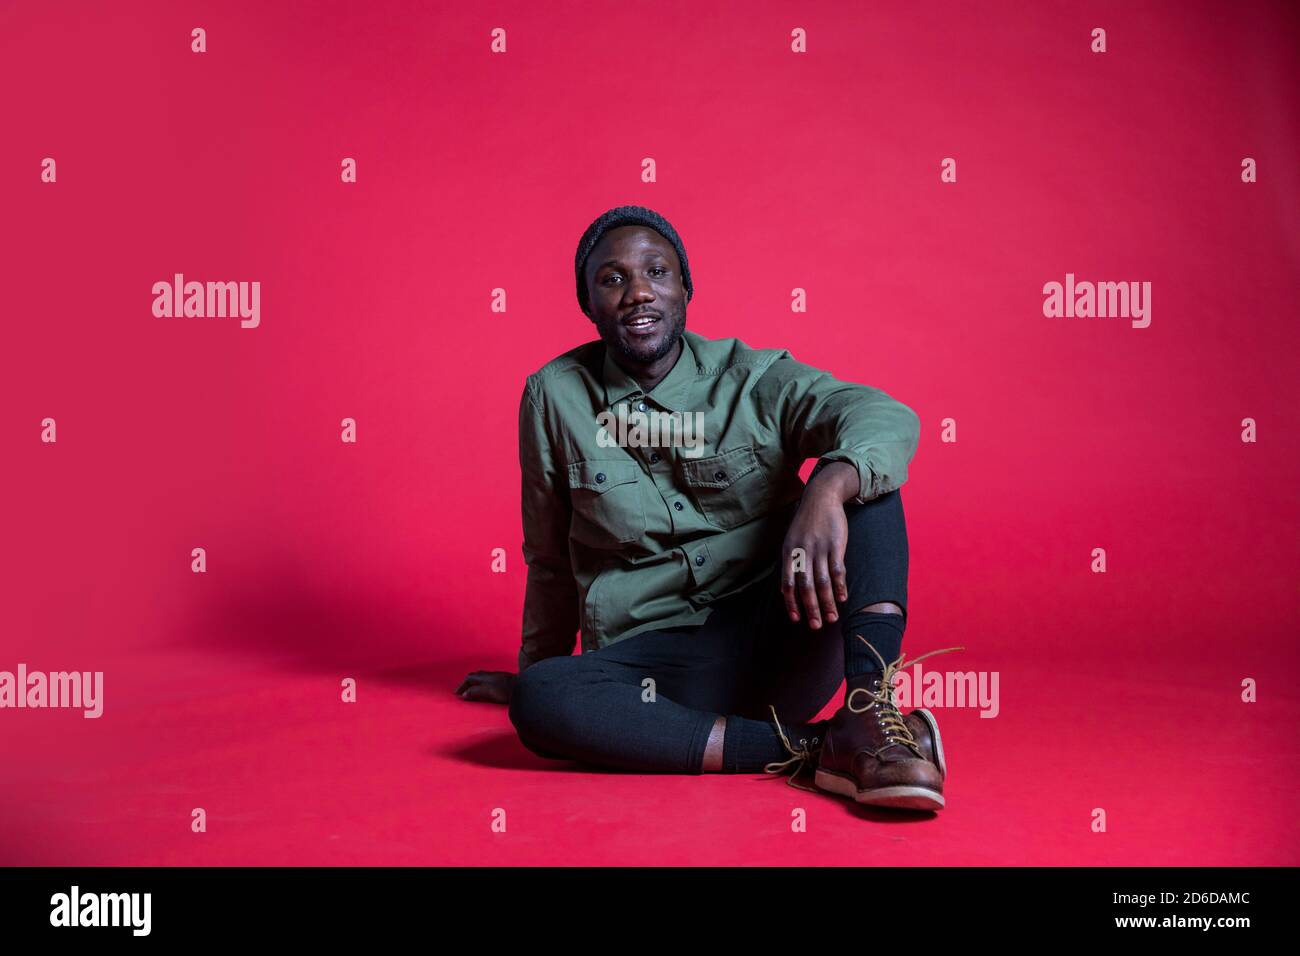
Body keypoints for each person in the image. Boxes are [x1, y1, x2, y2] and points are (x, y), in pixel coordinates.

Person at [456, 205, 961, 811]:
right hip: (663, 669)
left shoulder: (753, 378)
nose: (638, 292)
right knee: (540, 701)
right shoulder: (553, 396)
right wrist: (539, 669)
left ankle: (867, 708)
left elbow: (882, 416)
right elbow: (549, 556)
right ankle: (824, 747)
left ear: (685, 288)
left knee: (864, 479)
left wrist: (827, 486)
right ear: (588, 303)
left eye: (657, 272)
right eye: (612, 279)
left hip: (789, 631)